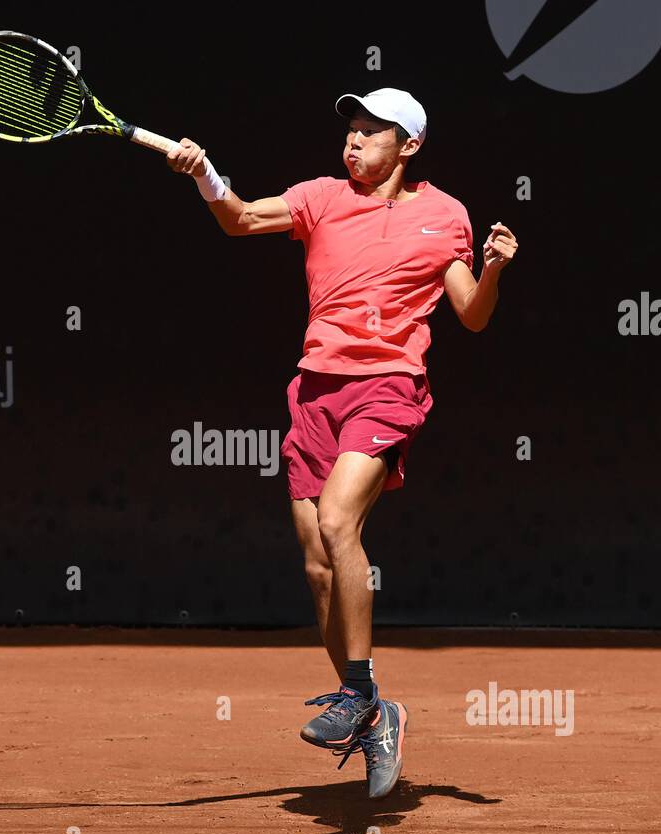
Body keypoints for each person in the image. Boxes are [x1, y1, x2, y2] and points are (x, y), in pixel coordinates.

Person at [167, 88, 518, 797]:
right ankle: (374, 711)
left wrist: (494, 272)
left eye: (369, 133)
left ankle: (356, 692)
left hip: (387, 385)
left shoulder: (446, 215)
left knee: (336, 522)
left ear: (408, 145)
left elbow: (472, 317)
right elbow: (238, 220)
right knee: (318, 567)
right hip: (314, 391)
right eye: (349, 132)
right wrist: (204, 173)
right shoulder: (320, 198)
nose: (352, 143)